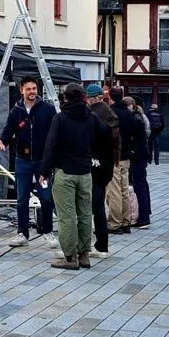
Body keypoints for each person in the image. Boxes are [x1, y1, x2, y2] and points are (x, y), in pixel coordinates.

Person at [40, 83, 105, 270]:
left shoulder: (60, 118)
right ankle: (84, 254)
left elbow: (51, 146)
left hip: (65, 172)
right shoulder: (91, 118)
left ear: (65, 98)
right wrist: (92, 153)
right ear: (83, 97)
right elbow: (104, 136)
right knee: (85, 214)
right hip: (85, 172)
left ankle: (70, 257)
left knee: (67, 216)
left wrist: (44, 171)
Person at [0, 76, 58, 248]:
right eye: (28, 89)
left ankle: (48, 231)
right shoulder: (17, 111)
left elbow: (55, 133)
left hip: (42, 162)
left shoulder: (48, 109)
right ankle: (22, 233)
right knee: (22, 198)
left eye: (34, 89)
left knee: (45, 197)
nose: (32, 92)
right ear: (22, 90)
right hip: (22, 160)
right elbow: (9, 129)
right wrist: (2, 141)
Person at [108, 88, 150, 231]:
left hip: (114, 155)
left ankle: (115, 222)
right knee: (124, 189)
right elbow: (139, 136)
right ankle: (126, 221)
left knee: (114, 191)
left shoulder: (111, 113)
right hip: (126, 156)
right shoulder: (130, 115)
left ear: (111, 97)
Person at [88, 101, 120, 258]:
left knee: (92, 209)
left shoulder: (99, 132)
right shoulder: (112, 131)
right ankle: (102, 245)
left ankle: (93, 245)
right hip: (105, 172)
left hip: (94, 171)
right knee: (99, 209)